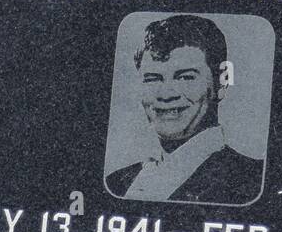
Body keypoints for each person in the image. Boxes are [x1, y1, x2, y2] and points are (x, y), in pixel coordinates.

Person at [105, 14, 263, 204]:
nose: (166, 94)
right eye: (152, 79)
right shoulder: (115, 183)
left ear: (222, 82)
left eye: (185, 77)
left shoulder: (252, 181)